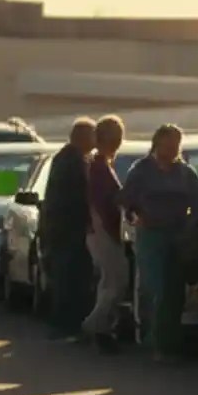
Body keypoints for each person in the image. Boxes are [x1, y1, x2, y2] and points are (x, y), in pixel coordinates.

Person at [120, 124, 198, 363]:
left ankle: (170, 343)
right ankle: (154, 341)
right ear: (157, 142)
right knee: (156, 287)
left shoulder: (185, 172)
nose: (172, 148)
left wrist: (191, 225)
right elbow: (128, 199)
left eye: (176, 143)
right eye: (168, 143)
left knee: (175, 291)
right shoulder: (142, 170)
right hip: (151, 234)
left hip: (178, 234)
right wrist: (135, 215)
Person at [40, 118, 97, 340]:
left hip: (64, 227)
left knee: (71, 277)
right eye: (91, 135)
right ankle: (65, 323)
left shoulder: (69, 158)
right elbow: (74, 196)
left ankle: (66, 321)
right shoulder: (71, 161)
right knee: (69, 277)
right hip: (67, 228)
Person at [80, 115, 128, 353]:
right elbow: (102, 203)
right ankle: (95, 323)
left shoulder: (100, 164)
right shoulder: (99, 167)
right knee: (117, 280)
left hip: (100, 229)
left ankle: (102, 328)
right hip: (103, 230)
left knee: (108, 281)